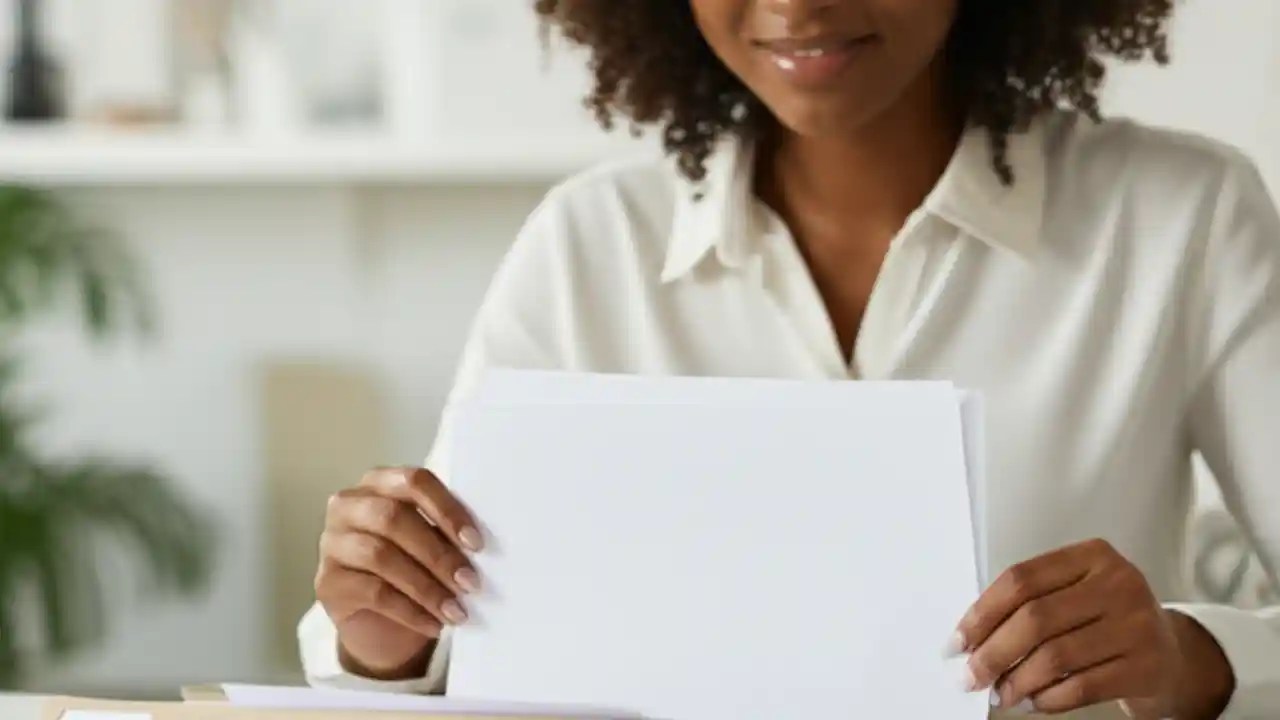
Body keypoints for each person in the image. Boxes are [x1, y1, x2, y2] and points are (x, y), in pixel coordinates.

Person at [299, 1, 1280, 717]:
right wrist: (386, 642)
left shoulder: (1180, 218)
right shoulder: (586, 245)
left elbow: (1200, 662)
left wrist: (1183, 658)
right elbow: (449, 634)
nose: (796, 4)